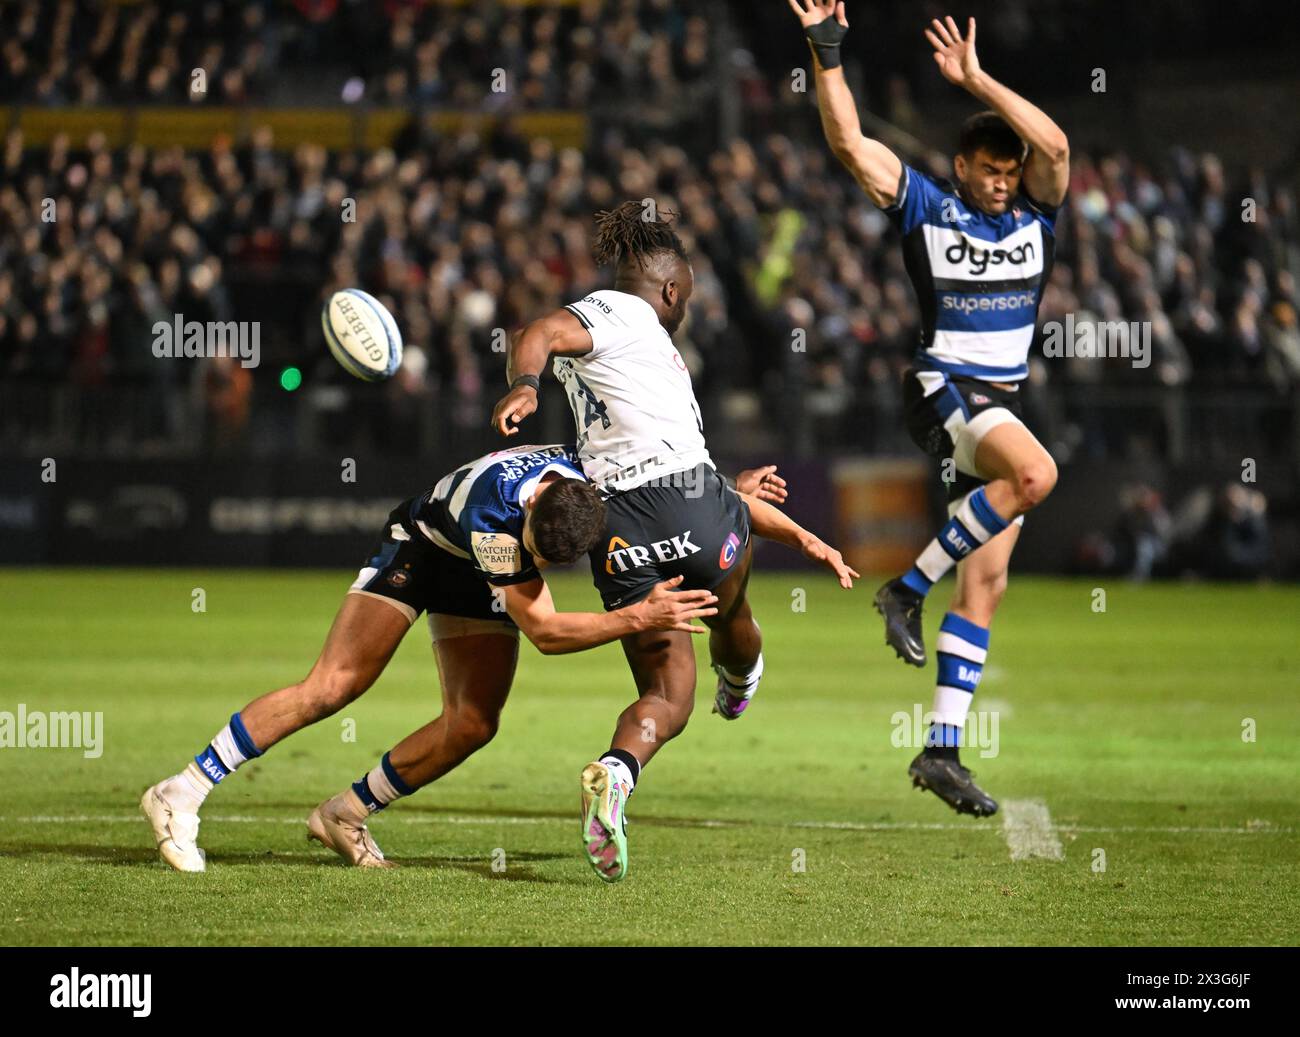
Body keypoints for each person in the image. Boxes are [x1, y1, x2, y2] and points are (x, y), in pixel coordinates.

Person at [140, 442, 731, 872]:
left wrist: (724, 496)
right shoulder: (496, 520)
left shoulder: (593, 480)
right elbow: (547, 634)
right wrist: (636, 616)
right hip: (422, 550)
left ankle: (344, 814)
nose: (543, 566)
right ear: (531, 515)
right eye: (538, 556)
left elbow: (661, 475)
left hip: (481, 571)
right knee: (335, 685)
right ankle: (182, 791)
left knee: (473, 723)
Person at [492, 202, 858, 881]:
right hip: (692, 505)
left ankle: (617, 771)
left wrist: (529, 383)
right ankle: (742, 676)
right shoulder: (623, 313)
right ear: (668, 289)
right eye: (685, 292)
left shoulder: (634, 344)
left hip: (617, 526)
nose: (686, 303)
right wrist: (524, 382)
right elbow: (539, 330)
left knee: (667, 694)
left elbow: (635, 430)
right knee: (733, 608)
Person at [791, 2, 1070, 815]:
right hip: (944, 389)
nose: (1002, 179)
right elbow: (849, 144)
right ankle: (905, 587)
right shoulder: (926, 207)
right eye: (988, 166)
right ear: (960, 165)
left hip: (996, 405)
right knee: (1036, 471)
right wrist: (827, 49)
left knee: (984, 589)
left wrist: (979, 79)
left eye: (1008, 171)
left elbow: (1052, 145)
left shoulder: (1038, 218)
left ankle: (940, 750)